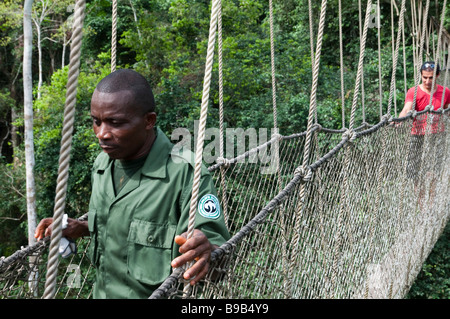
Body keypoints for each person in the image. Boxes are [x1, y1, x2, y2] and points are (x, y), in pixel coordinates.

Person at [34, 69, 230, 298]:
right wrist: (82, 227)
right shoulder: (102, 165)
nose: (101, 134)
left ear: (149, 121)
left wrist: (209, 252)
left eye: (115, 123)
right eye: (96, 122)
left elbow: (219, 263)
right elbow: (129, 226)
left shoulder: (186, 174)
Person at [398, 61, 450, 203]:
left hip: (437, 135)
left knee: (433, 172)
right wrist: (399, 119)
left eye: (431, 78)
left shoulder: (445, 92)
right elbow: (407, 108)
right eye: (424, 77)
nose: (427, 81)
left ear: (438, 76)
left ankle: (430, 205)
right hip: (418, 135)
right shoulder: (413, 92)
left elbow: (446, 108)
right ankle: (421, 206)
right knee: (415, 174)